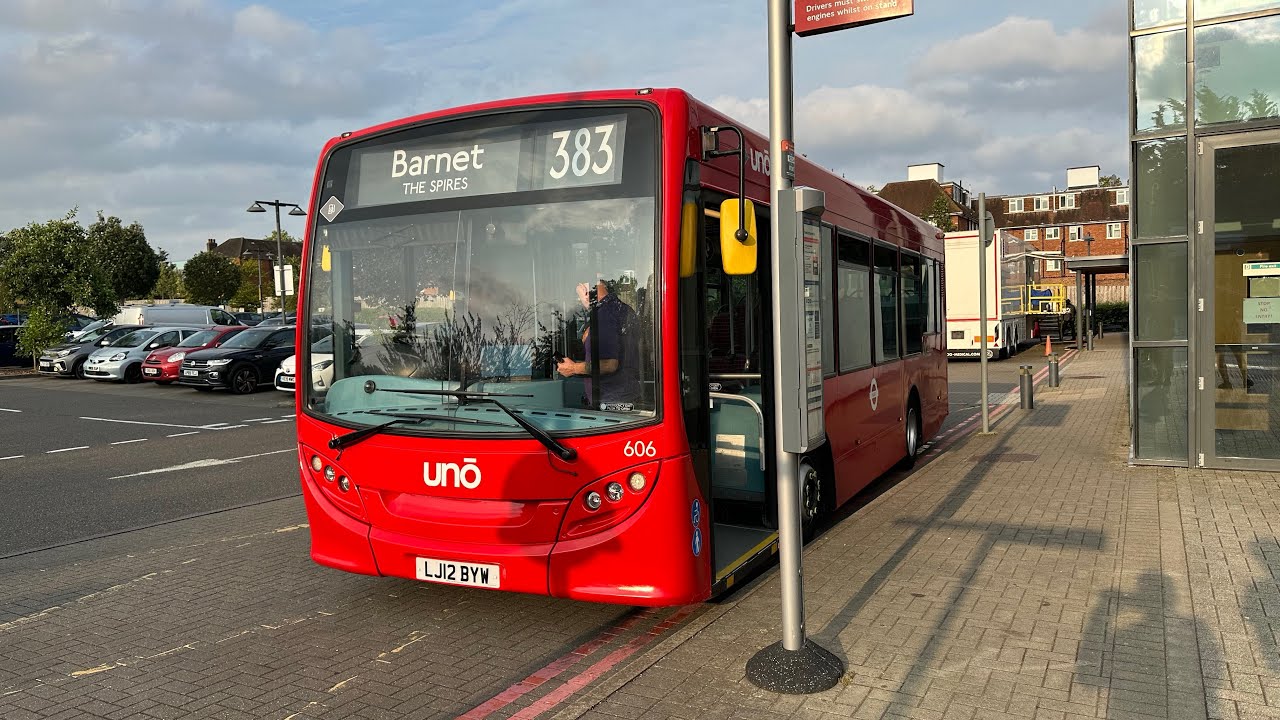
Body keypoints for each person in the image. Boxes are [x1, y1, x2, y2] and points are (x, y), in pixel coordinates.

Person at [556, 276, 640, 408]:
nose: (582, 302)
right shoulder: (623, 309)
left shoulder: (604, 314)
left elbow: (610, 365)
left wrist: (573, 368)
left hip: (610, 403)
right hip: (624, 399)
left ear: (585, 290)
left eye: (579, 297)